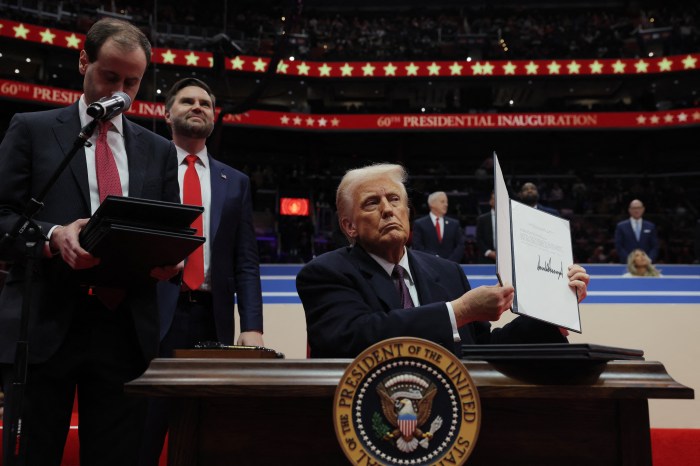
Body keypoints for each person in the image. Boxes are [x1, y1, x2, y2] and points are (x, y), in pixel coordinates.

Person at [0, 18, 181, 466]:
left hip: (124, 329)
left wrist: (169, 261)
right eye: (110, 76)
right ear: (84, 60)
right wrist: (51, 236)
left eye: (132, 82)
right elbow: (2, 216)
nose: (120, 90)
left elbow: (171, 230)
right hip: (44, 323)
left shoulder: (158, 151)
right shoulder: (32, 128)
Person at [296, 164, 589, 358]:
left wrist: (552, 313)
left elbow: (483, 351)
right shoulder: (324, 273)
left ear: (408, 212)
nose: (388, 210)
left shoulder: (447, 272)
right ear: (349, 226)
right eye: (372, 203)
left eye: (395, 200)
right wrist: (458, 311)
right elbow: (356, 338)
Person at [138, 78, 264, 465]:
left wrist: (253, 324)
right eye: (188, 101)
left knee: (207, 429)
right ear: (166, 112)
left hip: (213, 317)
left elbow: (246, 260)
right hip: (157, 312)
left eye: (206, 104)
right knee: (145, 429)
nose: (198, 107)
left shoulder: (236, 181)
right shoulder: (144, 172)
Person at [411, 191, 465, 263]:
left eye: (447, 202)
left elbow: (460, 245)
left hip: (451, 266)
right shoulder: (419, 224)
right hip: (428, 266)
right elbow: (417, 246)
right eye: (442, 202)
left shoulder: (454, 224)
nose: (446, 204)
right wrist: (434, 259)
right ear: (432, 204)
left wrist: (449, 262)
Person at [614, 199, 659, 263]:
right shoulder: (621, 226)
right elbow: (619, 246)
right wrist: (630, 260)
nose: (636, 210)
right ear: (629, 210)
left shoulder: (650, 226)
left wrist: (649, 260)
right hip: (627, 264)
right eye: (634, 208)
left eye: (639, 208)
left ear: (643, 209)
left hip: (646, 264)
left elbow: (655, 246)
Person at [475, 191, 496, 263]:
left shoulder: (509, 218)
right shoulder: (482, 219)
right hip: (486, 259)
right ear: (490, 201)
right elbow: (478, 239)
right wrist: (489, 252)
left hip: (506, 258)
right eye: (494, 198)